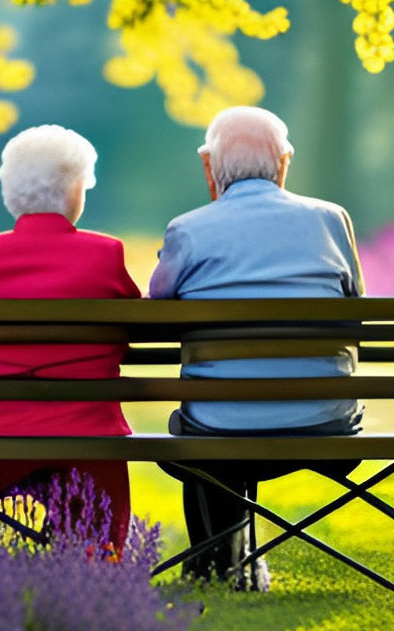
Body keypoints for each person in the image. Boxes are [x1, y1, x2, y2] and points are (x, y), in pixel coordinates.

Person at [149, 106, 365, 588]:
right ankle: (239, 561)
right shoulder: (331, 220)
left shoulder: (188, 229)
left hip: (219, 427)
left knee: (204, 431)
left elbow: (157, 306)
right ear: (284, 163)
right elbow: (355, 311)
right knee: (217, 424)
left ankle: (216, 563)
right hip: (323, 425)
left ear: (209, 167)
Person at [0, 124, 141, 550]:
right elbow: (132, 330)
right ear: (74, 191)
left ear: (12, 193)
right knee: (88, 464)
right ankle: (90, 555)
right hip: (87, 440)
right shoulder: (105, 254)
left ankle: (64, 551)